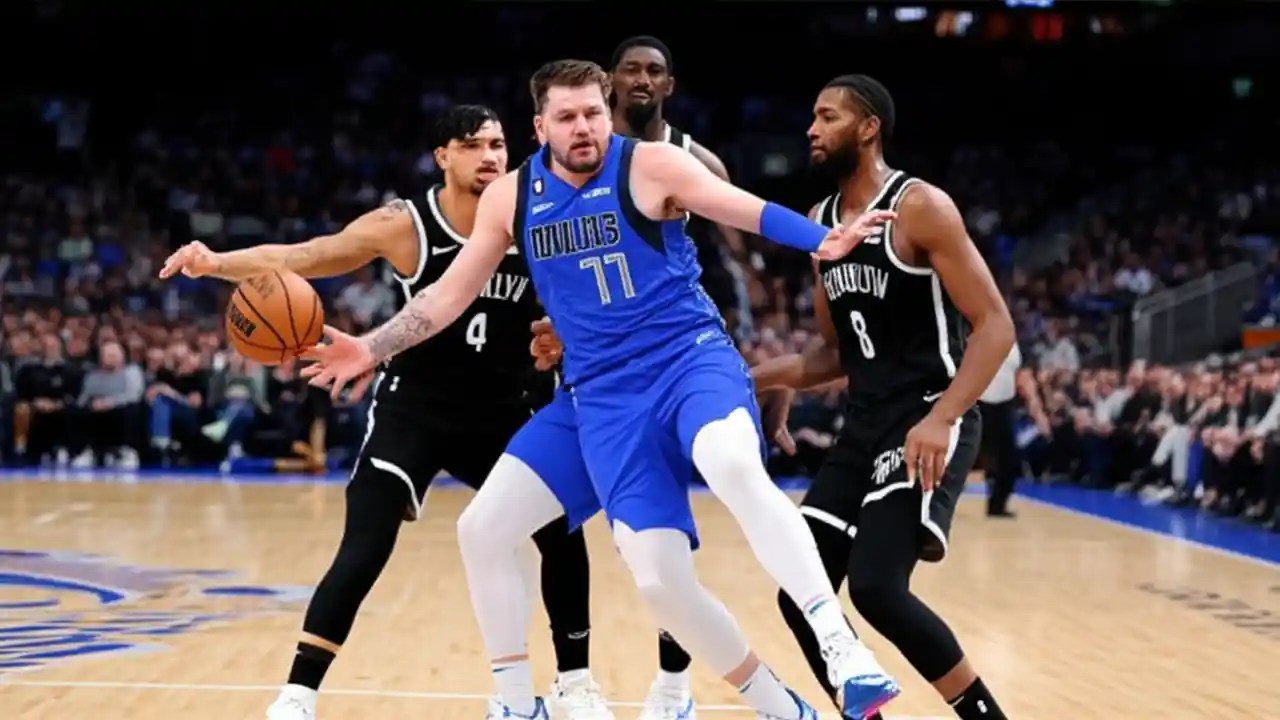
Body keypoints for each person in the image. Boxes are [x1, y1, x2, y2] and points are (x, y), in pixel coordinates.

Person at [301, 59, 901, 720]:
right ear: (540, 127)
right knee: (577, 558)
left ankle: (841, 646)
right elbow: (448, 295)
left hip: (688, 364)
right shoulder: (512, 197)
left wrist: (825, 239)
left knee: (731, 464)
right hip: (600, 397)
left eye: (593, 112)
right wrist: (371, 345)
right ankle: (531, 704)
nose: (584, 127)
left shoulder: (649, 166)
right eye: (567, 117)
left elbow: (746, 210)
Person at [159, 105, 616, 720]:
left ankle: (574, 683)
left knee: (560, 531)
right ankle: (297, 695)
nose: (490, 156)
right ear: (442, 157)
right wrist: (216, 263)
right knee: (365, 543)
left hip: (510, 408)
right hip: (417, 409)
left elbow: (581, 295)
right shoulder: (406, 224)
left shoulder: (534, 213)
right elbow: (308, 255)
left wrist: (560, 331)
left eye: (499, 144)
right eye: (472, 144)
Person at [751, 75, 1014, 720]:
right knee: (800, 594)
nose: (811, 130)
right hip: (862, 426)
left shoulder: (921, 206)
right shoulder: (820, 225)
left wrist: (942, 417)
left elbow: (996, 326)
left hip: (926, 415)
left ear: (868, 128)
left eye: (827, 117)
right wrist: (766, 381)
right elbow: (835, 352)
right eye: (812, 118)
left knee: (875, 588)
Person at [978, 344, 1024, 517]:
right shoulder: (977, 333)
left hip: (1004, 406)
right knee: (959, 457)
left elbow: (1018, 373)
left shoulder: (1012, 340)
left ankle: (997, 505)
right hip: (980, 403)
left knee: (1010, 460)